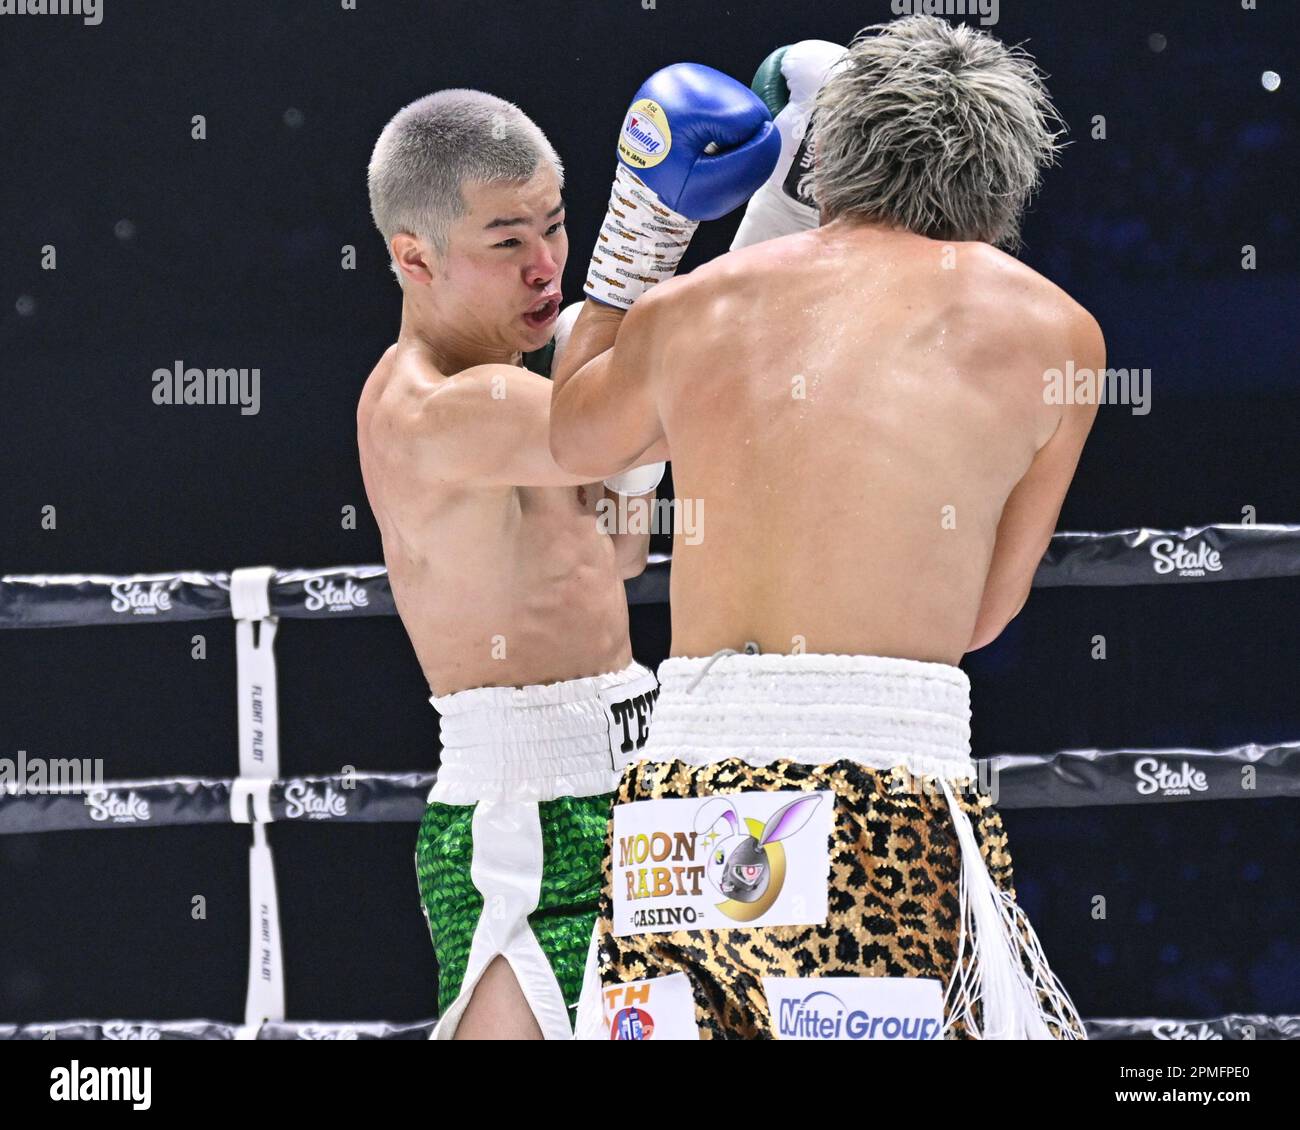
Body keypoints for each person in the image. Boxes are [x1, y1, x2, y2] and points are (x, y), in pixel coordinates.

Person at [552, 17, 1098, 1039]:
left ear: (829, 154)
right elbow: (980, 614)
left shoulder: (703, 300)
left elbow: (576, 439)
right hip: (884, 784)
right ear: (1003, 175)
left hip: (688, 794)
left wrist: (639, 227)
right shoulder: (1056, 334)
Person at [357, 89, 668, 1039]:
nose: (545, 267)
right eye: (506, 243)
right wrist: (660, 229)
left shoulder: (532, 390)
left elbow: (615, 554)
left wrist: (608, 355)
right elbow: (669, 408)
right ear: (416, 257)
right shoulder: (441, 408)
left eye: (559, 228)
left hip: (644, 774)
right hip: (527, 813)